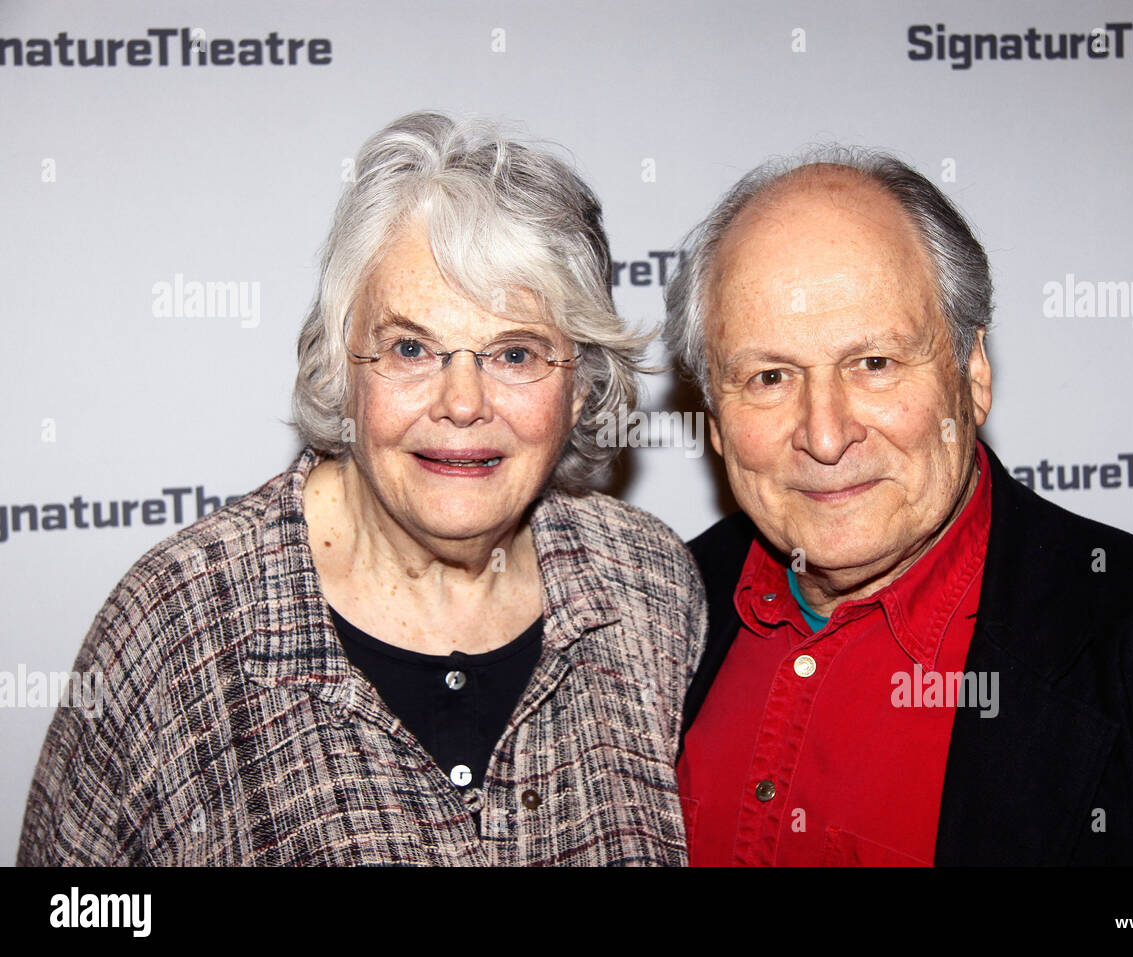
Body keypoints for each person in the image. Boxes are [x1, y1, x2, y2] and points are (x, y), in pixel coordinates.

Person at [18, 112, 705, 866]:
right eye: (410, 347)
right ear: (343, 371)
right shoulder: (181, 623)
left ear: (580, 387)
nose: (463, 402)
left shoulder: (647, 587)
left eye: (516, 352)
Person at [663, 148, 1133, 865]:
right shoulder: (648, 621)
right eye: (769, 375)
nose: (826, 433)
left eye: (874, 363)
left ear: (973, 374)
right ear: (715, 419)